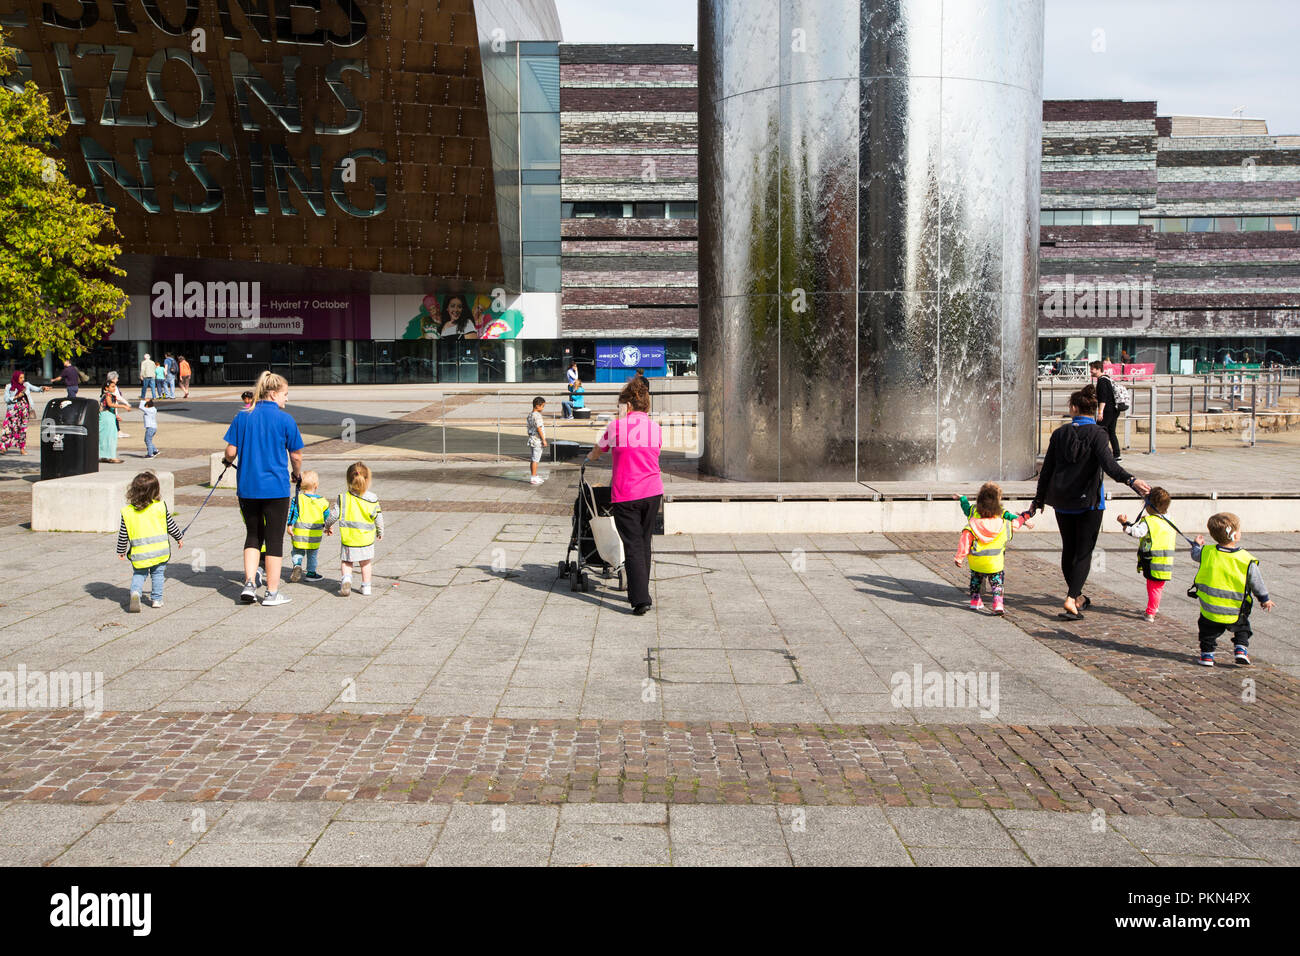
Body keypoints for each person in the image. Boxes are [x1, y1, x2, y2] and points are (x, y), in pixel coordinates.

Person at [1030, 385, 1151, 620]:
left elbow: (1046, 471)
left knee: (1069, 549)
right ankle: (1071, 598)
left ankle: (1077, 597)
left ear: (1074, 408)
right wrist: (1131, 480)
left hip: (1062, 501)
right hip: (1089, 503)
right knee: (1084, 553)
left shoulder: (1059, 434)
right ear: (1093, 409)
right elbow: (1109, 465)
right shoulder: (1098, 434)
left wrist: (1039, 499)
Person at [222, 371, 304, 607]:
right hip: (275, 488)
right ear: (273, 393)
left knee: (253, 535)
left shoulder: (243, 416)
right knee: (274, 540)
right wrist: (296, 474)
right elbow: (296, 455)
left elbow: (230, 452)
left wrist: (228, 463)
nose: (286, 399)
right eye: (285, 395)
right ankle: (271, 593)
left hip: (247, 487)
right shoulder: (285, 420)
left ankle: (249, 583)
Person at [585, 376, 662, 615]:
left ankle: (641, 599)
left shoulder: (616, 427)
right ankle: (643, 590)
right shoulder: (655, 428)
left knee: (632, 545)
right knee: (644, 542)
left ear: (627, 405)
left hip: (627, 494)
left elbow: (598, 452)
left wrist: (590, 457)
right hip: (652, 493)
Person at [1192, 514, 1274, 667]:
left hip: (1211, 607)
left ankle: (1207, 656)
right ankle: (1241, 650)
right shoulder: (1246, 558)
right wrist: (1264, 599)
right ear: (1235, 535)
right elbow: (1256, 582)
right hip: (1236, 609)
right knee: (1242, 629)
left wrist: (1197, 544)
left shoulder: (1207, 552)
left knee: (1207, 633)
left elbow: (1195, 554)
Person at [953, 482, 1034, 615]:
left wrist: (959, 557)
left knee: (976, 578)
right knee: (997, 581)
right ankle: (997, 603)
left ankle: (975, 601)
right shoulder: (1002, 520)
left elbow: (965, 538)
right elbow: (1014, 522)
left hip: (976, 561)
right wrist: (1024, 519)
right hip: (995, 562)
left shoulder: (973, 514)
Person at [116, 471, 183, 612]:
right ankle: (157, 600)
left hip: (139, 553)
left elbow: (123, 534)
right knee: (158, 575)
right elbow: (170, 525)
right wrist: (179, 537)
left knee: (139, 574)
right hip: (160, 552)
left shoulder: (127, 512)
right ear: (155, 491)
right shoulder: (160, 507)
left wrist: (121, 550)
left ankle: (135, 593)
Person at [1116, 487, 1176, 622]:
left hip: (1153, 561)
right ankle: (1154, 605)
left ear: (1149, 506)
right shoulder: (1170, 520)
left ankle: (1151, 612)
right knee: (1156, 586)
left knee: (1154, 587)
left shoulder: (1149, 522)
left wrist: (1124, 524)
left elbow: (1136, 532)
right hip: (1166, 561)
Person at [325, 461, 383, 597]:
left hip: (349, 538)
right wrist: (380, 531)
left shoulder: (343, 498)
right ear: (367, 479)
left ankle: (346, 579)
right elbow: (378, 517)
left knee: (347, 562)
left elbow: (334, 515)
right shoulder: (373, 498)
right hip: (366, 539)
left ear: (348, 479)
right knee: (365, 563)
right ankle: (366, 587)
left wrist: (327, 525)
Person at [288, 470, 332, 583]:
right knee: (312, 554)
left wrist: (289, 525)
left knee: (297, 551)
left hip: (299, 532)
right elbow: (327, 516)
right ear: (316, 486)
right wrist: (328, 527)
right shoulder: (323, 501)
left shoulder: (298, 499)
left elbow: (293, 513)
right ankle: (311, 573)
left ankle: (297, 565)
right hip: (315, 534)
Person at [2, 371, 44, 455]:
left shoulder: (26, 385)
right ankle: (3, 447)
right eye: (20, 378)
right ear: (16, 378)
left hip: (24, 412)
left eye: (23, 377)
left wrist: (42, 388)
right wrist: (16, 396)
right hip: (12, 411)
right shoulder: (9, 387)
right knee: (8, 429)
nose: (22, 379)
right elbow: (6, 399)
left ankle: (22, 448)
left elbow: (36, 389)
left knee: (22, 430)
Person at [1090, 360, 1122, 461]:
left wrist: (1100, 412)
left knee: (1098, 431)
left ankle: (1099, 452)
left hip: (1107, 410)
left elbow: (1103, 399)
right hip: (1114, 410)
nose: (1090, 371)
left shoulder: (1102, 381)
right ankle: (1116, 455)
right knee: (1111, 432)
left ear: (1098, 369)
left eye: (1092, 369)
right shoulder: (1107, 378)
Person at [98, 372, 129, 463]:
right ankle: (111, 456)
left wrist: (116, 416)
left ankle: (103, 455)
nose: (114, 388)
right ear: (106, 388)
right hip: (107, 418)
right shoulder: (108, 395)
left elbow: (108, 407)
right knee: (111, 437)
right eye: (112, 386)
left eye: (114, 386)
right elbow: (110, 404)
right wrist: (123, 406)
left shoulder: (106, 395)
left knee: (104, 437)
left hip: (106, 416)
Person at [526, 396, 547, 484]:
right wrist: (544, 439)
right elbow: (539, 428)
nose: (543, 408)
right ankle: (533, 477)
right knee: (536, 459)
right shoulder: (537, 416)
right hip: (537, 440)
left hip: (532, 439)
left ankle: (534, 475)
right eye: (542, 406)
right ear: (537, 406)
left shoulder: (530, 415)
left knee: (533, 458)